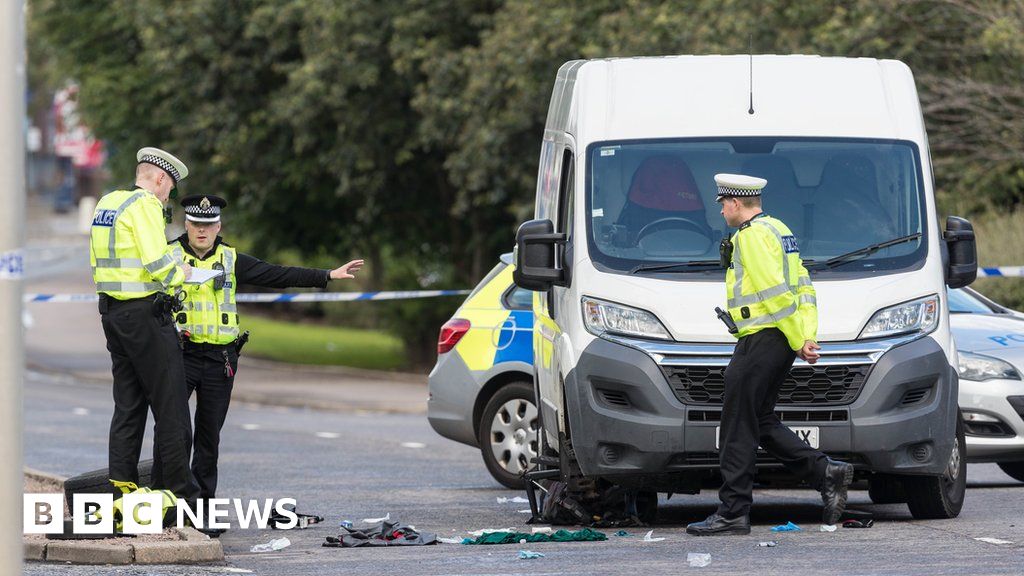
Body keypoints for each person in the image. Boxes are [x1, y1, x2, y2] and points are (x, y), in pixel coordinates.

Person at [151, 194, 363, 532]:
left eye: (208, 225)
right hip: (181, 355)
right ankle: (164, 508)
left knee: (209, 439)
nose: (202, 230)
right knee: (173, 434)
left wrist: (327, 275)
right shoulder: (168, 256)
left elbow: (277, 274)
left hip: (220, 360)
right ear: (186, 226)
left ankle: (201, 513)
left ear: (218, 226)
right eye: (196, 224)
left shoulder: (231, 258)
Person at [686, 173, 853, 536]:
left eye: (722, 205)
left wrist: (798, 339)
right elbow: (804, 286)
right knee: (760, 420)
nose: (722, 212)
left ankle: (733, 512)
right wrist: (804, 334)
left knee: (735, 425)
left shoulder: (751, 237)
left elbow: (776, 294)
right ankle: (826, 472)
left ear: (734, 203)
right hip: (777, 341)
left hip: (763, 339)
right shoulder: (780, 230)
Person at [89, 147, 199, 504]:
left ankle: (122, 492)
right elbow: (157, 263)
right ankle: (179, 497)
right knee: (171, 407)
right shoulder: (146, 205)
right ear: (160, 179)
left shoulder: (108, 202)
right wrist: (182, 274)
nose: (169, 197)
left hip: (113, 315)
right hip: (145, 315)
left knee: (128, 405)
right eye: (171, 189)